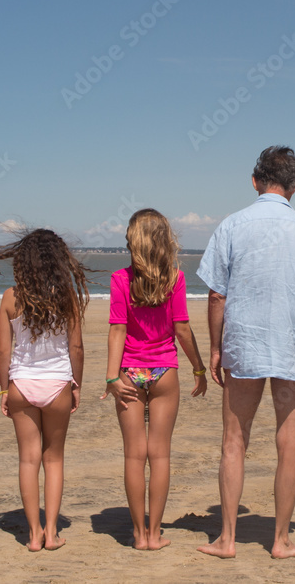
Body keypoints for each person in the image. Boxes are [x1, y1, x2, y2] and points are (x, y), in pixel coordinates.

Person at [196, 146, 295, 559]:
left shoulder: (231, 226)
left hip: (244, 342)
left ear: (256, 180)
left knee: (233, 441)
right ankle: (280, 540)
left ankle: (226, 539)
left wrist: (215, 348)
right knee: (290, 442)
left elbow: (216, 297)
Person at [102, 208, 208, 550]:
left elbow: (117, 330)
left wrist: (110, 377)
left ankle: (137, 535)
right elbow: (181, 329)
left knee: (134, 455)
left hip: (129, 372)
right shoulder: (174, 279)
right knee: (159, 455)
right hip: (164, 371)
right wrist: (199, 367)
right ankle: (154, 534)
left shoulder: (121, 278)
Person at [0, 229, 88, 551]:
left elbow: (4, 352)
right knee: (53, 459)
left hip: (21, 384)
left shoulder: (10, 297)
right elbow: (76, 347)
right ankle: (52, 532)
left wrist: (4, 391)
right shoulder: (66, 297)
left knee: (27, 460)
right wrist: (77, 384)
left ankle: (32, 535)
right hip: (57, 382)